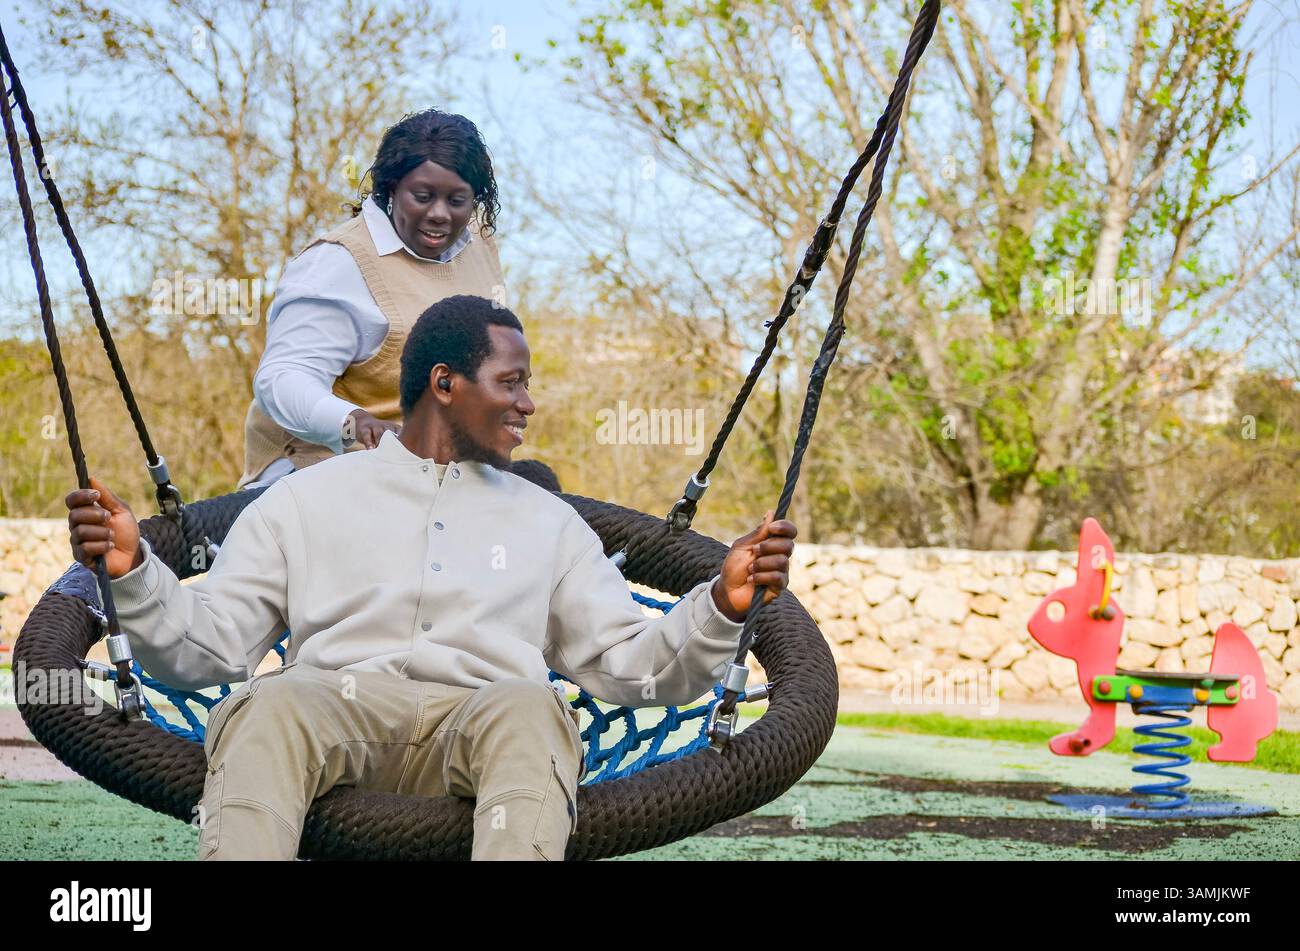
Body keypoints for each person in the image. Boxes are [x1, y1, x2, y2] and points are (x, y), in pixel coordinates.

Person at [66, 295, 797, 861]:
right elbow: (212, 648)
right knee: (272, 703)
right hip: (334, 713)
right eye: (509, 382)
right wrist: (134, 571)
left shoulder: (548, 523)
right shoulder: (304, 500)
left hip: (482, 724)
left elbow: (625, 665)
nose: (528, 403)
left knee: (530, 704)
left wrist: (722, 605)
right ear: (444, 383)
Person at [240, 108, 507, 488]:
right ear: (390, 188)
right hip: (320, 474)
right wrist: (354, 423)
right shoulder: (336, 264)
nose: (439, 214)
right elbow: (282, 380)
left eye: (457, 200)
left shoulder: (480, 246)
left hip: (440, 476)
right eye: (423, 195)